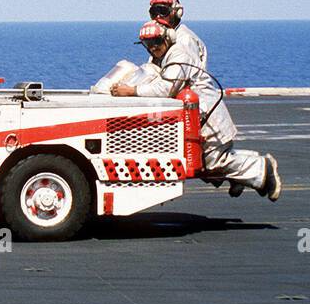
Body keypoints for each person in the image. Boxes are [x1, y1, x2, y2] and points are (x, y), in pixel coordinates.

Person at [111, 21, 282, 201]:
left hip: (208, 116)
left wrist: (132, 91)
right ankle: (242, 176)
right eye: (148, 44)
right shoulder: (164, 56)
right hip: (196, 115)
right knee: (204, 161)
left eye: (156, 42)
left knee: (212, 161)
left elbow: (166, 88)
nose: (153, 47)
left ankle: (262, 168)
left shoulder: (179, 55)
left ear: (167, 39)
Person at [148, 0, 206, 67]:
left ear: (177, 12)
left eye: (163, 11)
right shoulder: (163, 39)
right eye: (154, 12)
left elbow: (177, 75)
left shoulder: (185, 39)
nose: (158, 17)